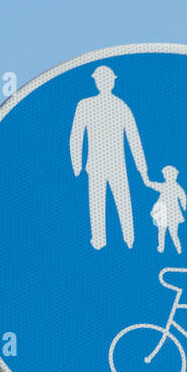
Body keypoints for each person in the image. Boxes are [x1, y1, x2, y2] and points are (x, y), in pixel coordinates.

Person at [69, 66, 149, 249]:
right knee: (97, 203)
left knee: (122, 201)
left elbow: (134, 139)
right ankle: (99, 240)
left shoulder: (121, 106)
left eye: (107, 80)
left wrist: (142, 170)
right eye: (101, 80)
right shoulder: (85, 105)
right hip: (95, 164)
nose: (104, 83)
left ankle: (129, 240)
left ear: (113, 81)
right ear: (96, 82)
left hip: (117, 164)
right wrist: (77, 164)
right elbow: (76, 136)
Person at [147, 166, 187, 254]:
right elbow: (155, 185)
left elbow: (183, 196)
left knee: (172, 233)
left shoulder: (174, 187)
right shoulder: (165, 186)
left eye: (169, 175)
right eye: (165, 175)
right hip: (163, 213)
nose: (167, 177)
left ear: (174, 176)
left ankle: (178, 249)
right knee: (162, 232)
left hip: (173, 213)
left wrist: (184, 205)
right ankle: (162, 247)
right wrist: (148, 182)